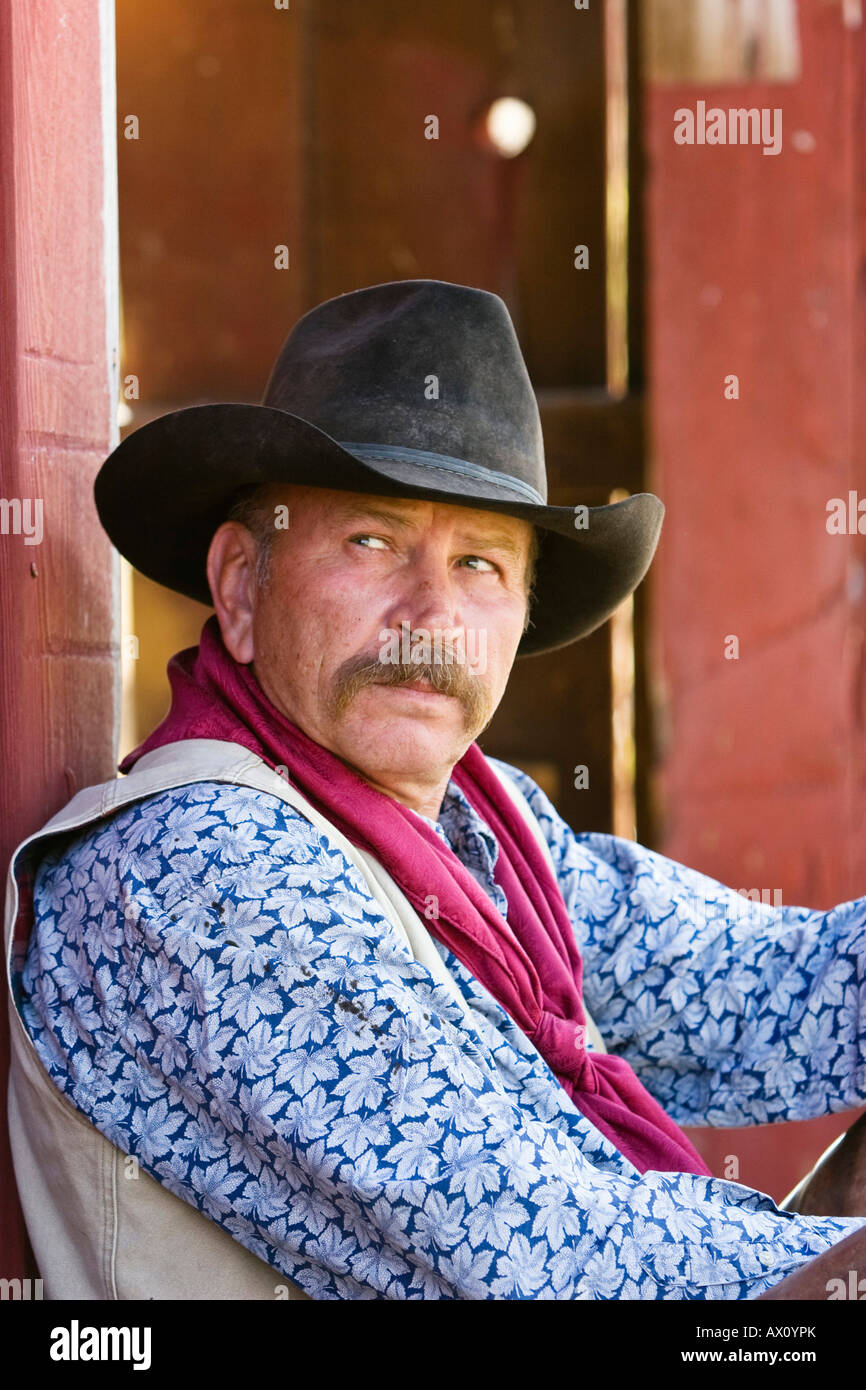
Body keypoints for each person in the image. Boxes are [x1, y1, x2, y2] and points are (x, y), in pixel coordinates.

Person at [5, 279, 866, 1301]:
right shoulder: (197, 868)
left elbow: (768, 990)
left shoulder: (472, 826)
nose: (430, 613)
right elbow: (557, 1259)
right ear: (242, 586)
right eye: (371, 542)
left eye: (479, 563)